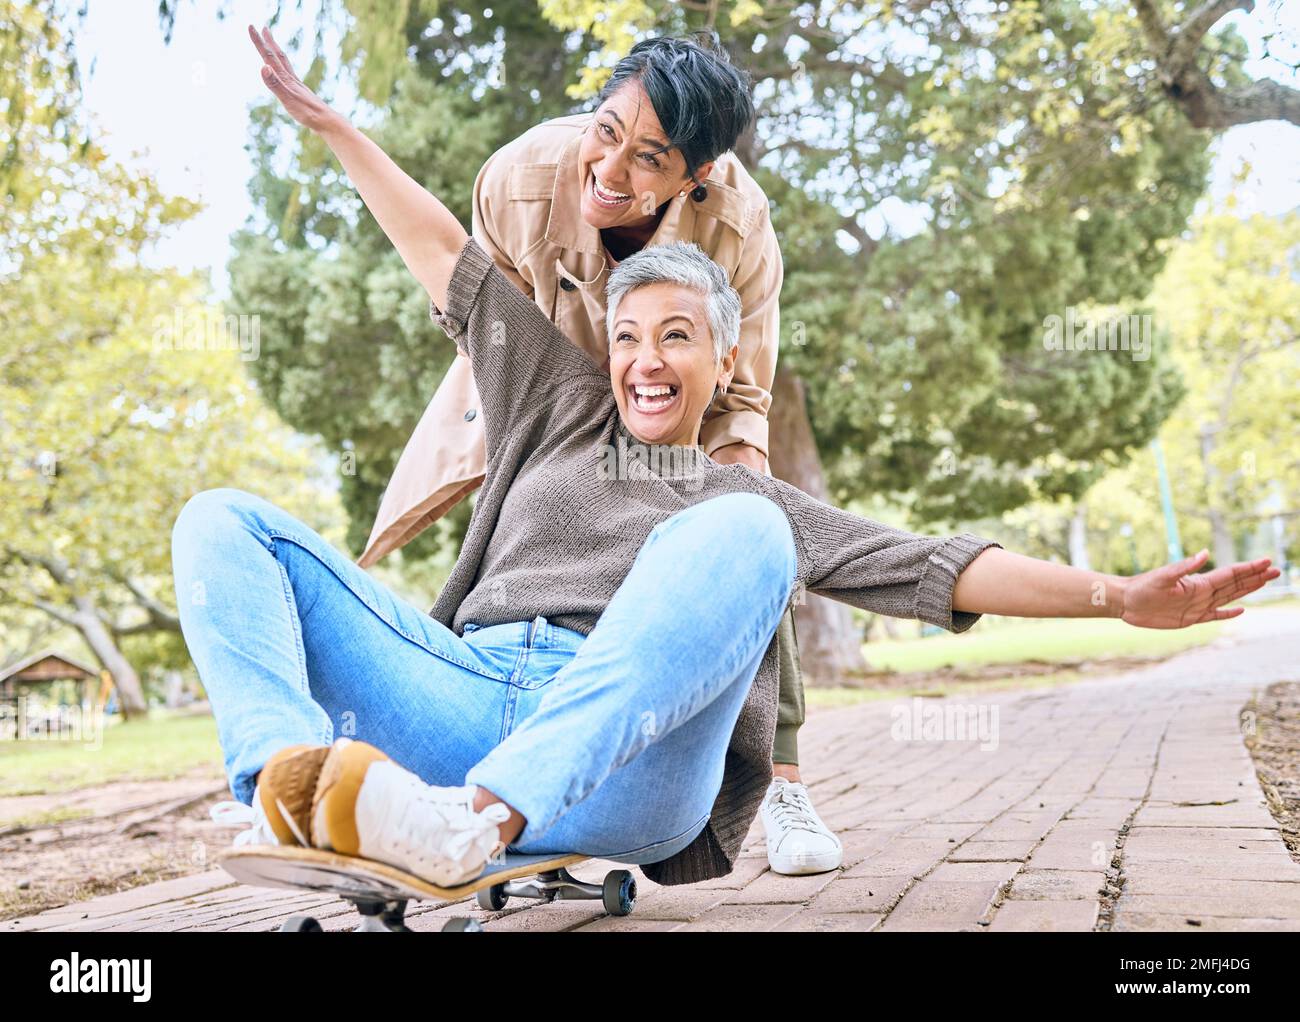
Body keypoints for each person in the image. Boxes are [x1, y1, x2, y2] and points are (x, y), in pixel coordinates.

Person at [190, 26, 1277, 892]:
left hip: (629, 768)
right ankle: (284, 785)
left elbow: (931, 564)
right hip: (463, 695)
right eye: (626, 335)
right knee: (224, 520)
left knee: (750, 524)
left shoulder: (733, 501)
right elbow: (434, 242)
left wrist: (1119, 594)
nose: (645, 361)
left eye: (676, 337)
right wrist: (334, 126)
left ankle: (473, 822)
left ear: (723, 357)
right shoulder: (545, 399)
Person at [354, 32, 838, 874]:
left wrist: (723, 454)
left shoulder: (740, 224)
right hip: (555, 377)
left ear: (696, 176)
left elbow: (747, 389)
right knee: (533, 527)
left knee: (745, 516)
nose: (611, 171)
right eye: (606, 132)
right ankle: (522, 754)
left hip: (681, 379)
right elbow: (475, 292)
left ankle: (783, 779)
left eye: (649, 158)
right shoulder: (517, 177)